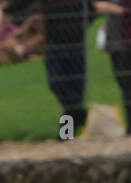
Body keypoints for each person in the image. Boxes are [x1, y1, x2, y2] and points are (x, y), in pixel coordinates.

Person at [41, 0, 92, 135]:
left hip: (77, 42)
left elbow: (92, 8)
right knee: (57, 83)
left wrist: (82, 25)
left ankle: (67, 133)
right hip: (54, 42)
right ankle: (82, 114)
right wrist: (5, 12)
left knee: (74, 88)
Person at [96, 0, 131, 134]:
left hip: (127, 44)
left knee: (129, 84)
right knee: (123, 83)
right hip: (115, 44)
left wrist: (110, 8)